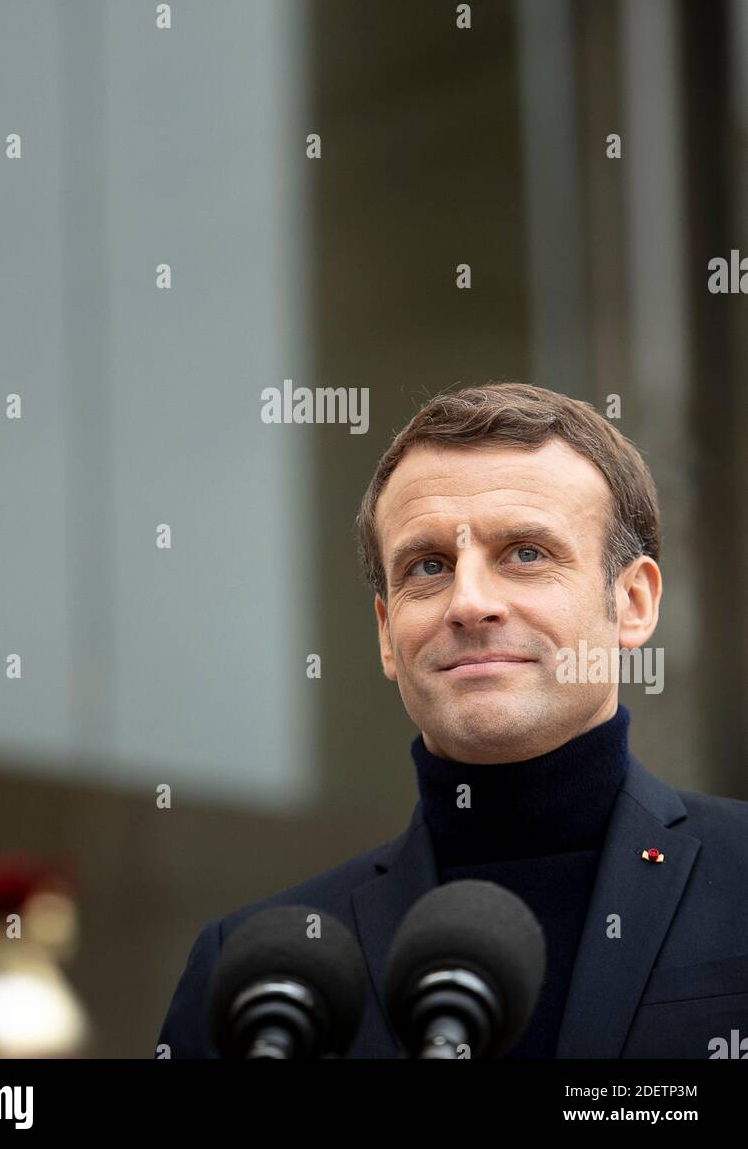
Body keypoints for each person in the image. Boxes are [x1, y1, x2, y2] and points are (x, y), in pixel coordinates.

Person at [156, 382, 748, 1059]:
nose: (468, 603)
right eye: (429, 566)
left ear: (634, 603)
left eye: (525, 554)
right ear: (386, 633)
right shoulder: (255, 976)